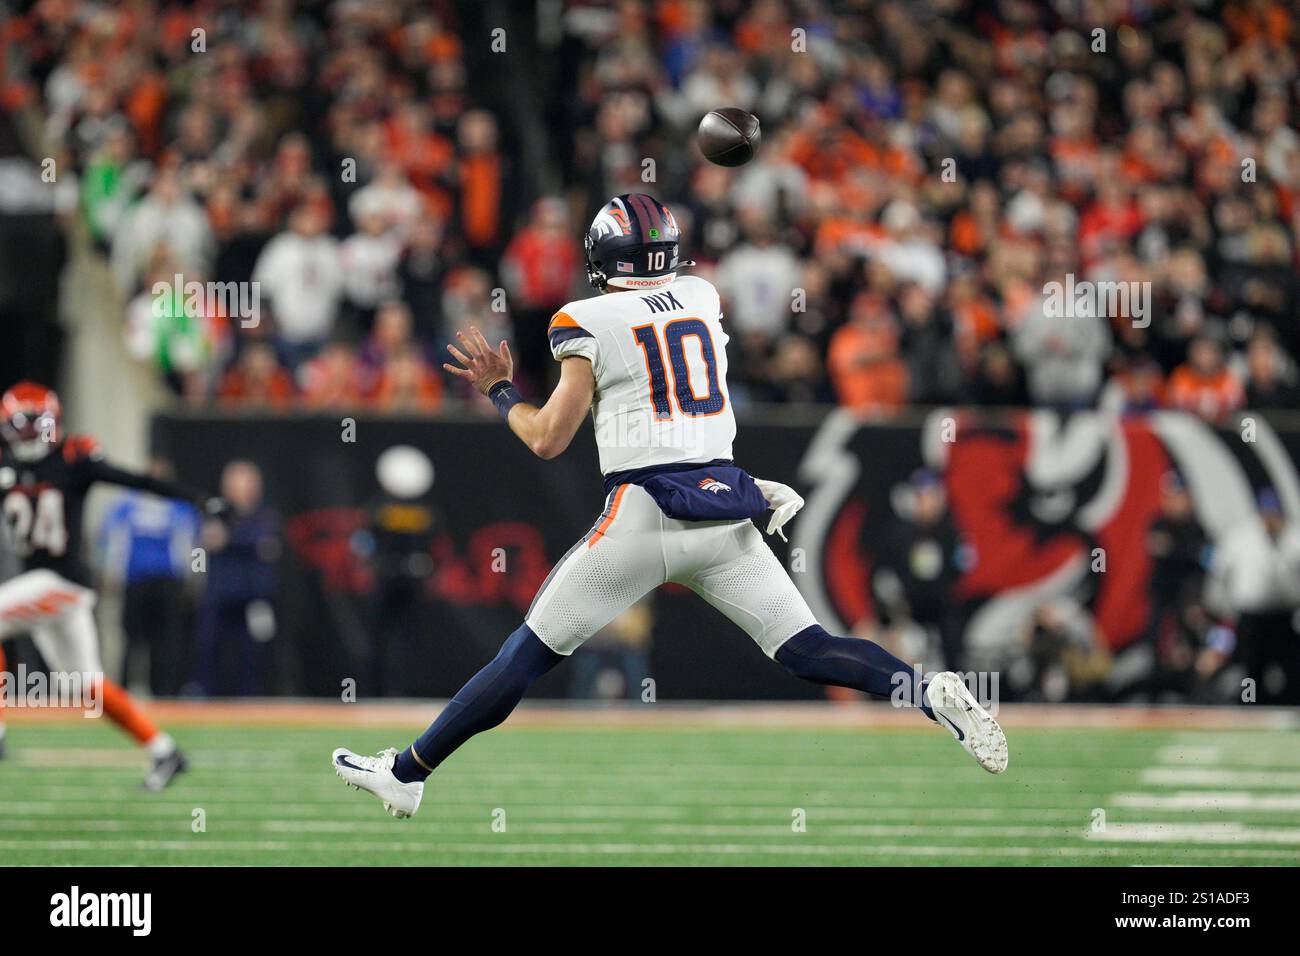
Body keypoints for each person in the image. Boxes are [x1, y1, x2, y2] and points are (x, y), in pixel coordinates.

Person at [333, 194, 1008, 818]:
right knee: (809, 648)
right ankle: (925, 692)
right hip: (723, 508)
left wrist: (501, 391)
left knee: (526, 653)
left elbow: (547, 439)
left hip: (644, 508)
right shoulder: (700, 294)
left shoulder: (585, 318)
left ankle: (410, 771)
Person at [0, 382, 218, 788]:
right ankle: (165, 752)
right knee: (89, 690)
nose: (27, 433)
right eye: (19, 425)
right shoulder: (8, 467)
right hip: (51, 592)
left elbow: (137, 481)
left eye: (34, 425)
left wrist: (196, 499)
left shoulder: (73, 458)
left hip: (61, 582)